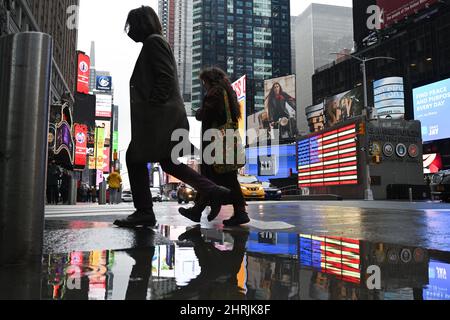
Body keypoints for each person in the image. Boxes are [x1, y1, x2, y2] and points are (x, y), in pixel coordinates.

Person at [114, 6, 230, 228]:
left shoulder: (153, 42)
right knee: (168, 162)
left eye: (131, 25)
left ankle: (145, 211)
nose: (129, 31)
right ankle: (212, 190)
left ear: (141, 24)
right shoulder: (156, 42)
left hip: (160, 118)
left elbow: (165, 78)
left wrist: (151, 107)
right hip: (164, 116)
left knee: (134, 157)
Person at [178, 68, 250, 227]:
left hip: (215, 143)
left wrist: (199, 112)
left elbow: (209, 113)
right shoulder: (228, 92)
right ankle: (233, 211)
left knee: (214, 177)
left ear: (210, 80)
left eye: (204, 82)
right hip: (227, 141)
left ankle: (202, 210)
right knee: (225, 178)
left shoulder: (216, 92)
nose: (203, 85)